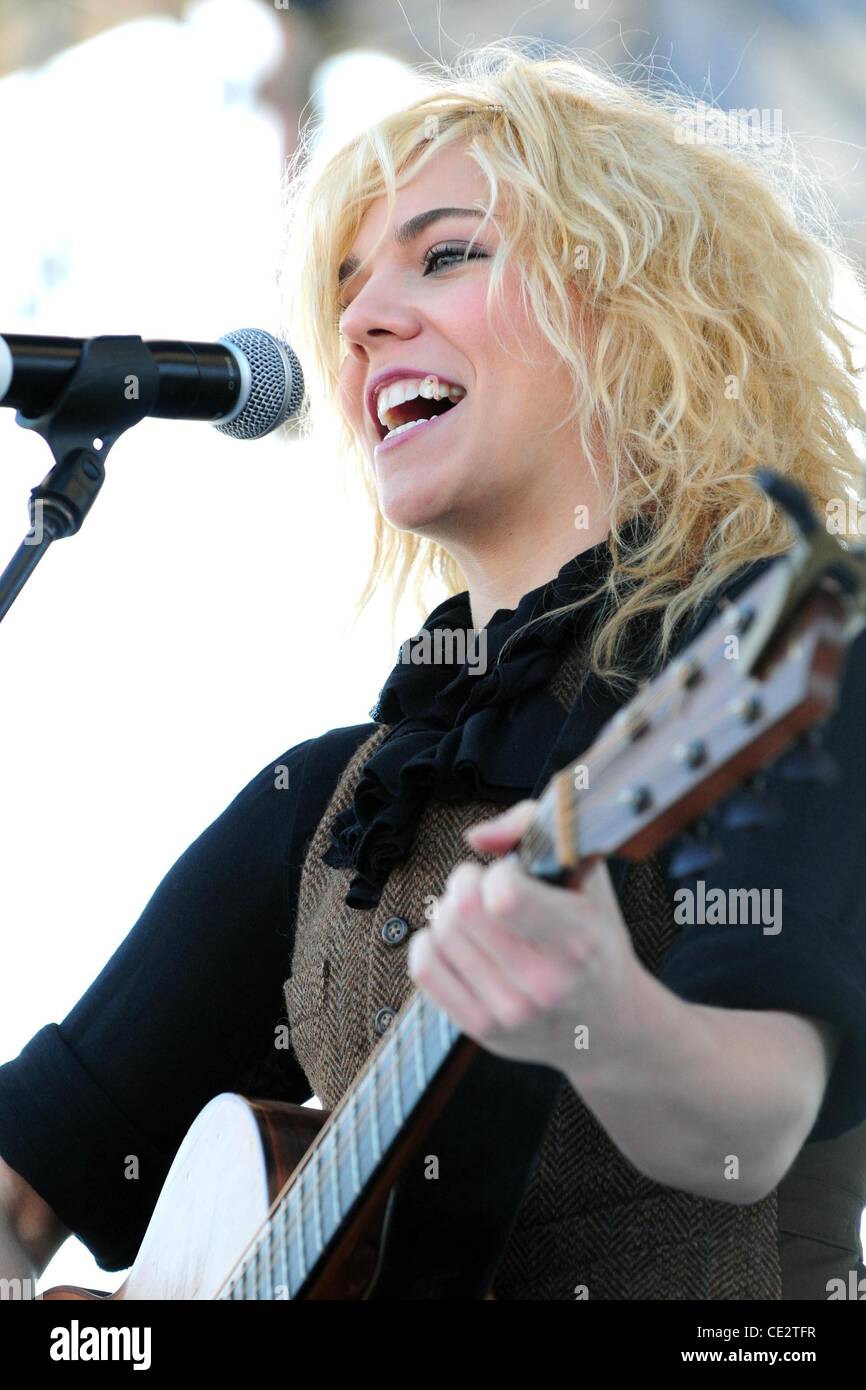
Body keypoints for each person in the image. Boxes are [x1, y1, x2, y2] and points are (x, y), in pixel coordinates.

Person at [2, 42, 866, 1301]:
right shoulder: (338, 804)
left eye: (446, 253)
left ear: (633, 309)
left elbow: (746, 1133)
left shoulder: (775, 655)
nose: (357, 321)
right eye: (346, 287)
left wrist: (594, 1006)